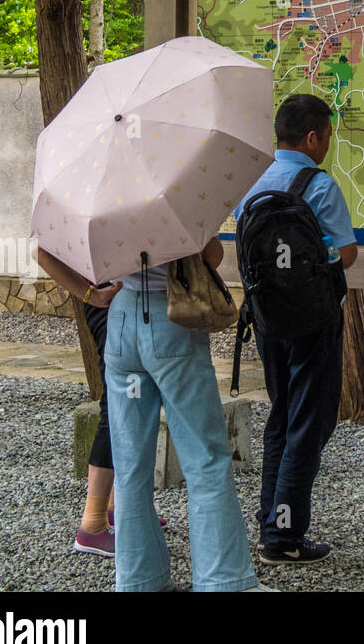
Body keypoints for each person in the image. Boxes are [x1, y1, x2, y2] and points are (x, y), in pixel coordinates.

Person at [99, 233, 265, 591]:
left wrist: (88, 295)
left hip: (122, 316)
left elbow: (42, 252)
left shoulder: (105, 197)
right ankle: (222, 579)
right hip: (170, 316)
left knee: (130, 466)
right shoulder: (172, 195)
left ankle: (139, 580)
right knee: (205, 459)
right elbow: (212, 255)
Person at [234, 93, 357, 566]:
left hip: (266, 319)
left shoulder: (253, 181)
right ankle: (283, 536)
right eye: (326, 136)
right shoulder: (319, 185)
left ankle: (272, 522)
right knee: (309, 421)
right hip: (314, 320)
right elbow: (346, 254)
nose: (327, 145)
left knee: (282, 415)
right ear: (311, 137)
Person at [35, 249, 123, 556]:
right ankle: (93, 524)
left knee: (129, 402)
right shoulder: (80, 201)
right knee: (116, 403)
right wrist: (90, 295)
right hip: (108, 300)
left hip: (119, 299)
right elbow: (41, 250)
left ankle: (115, 508)